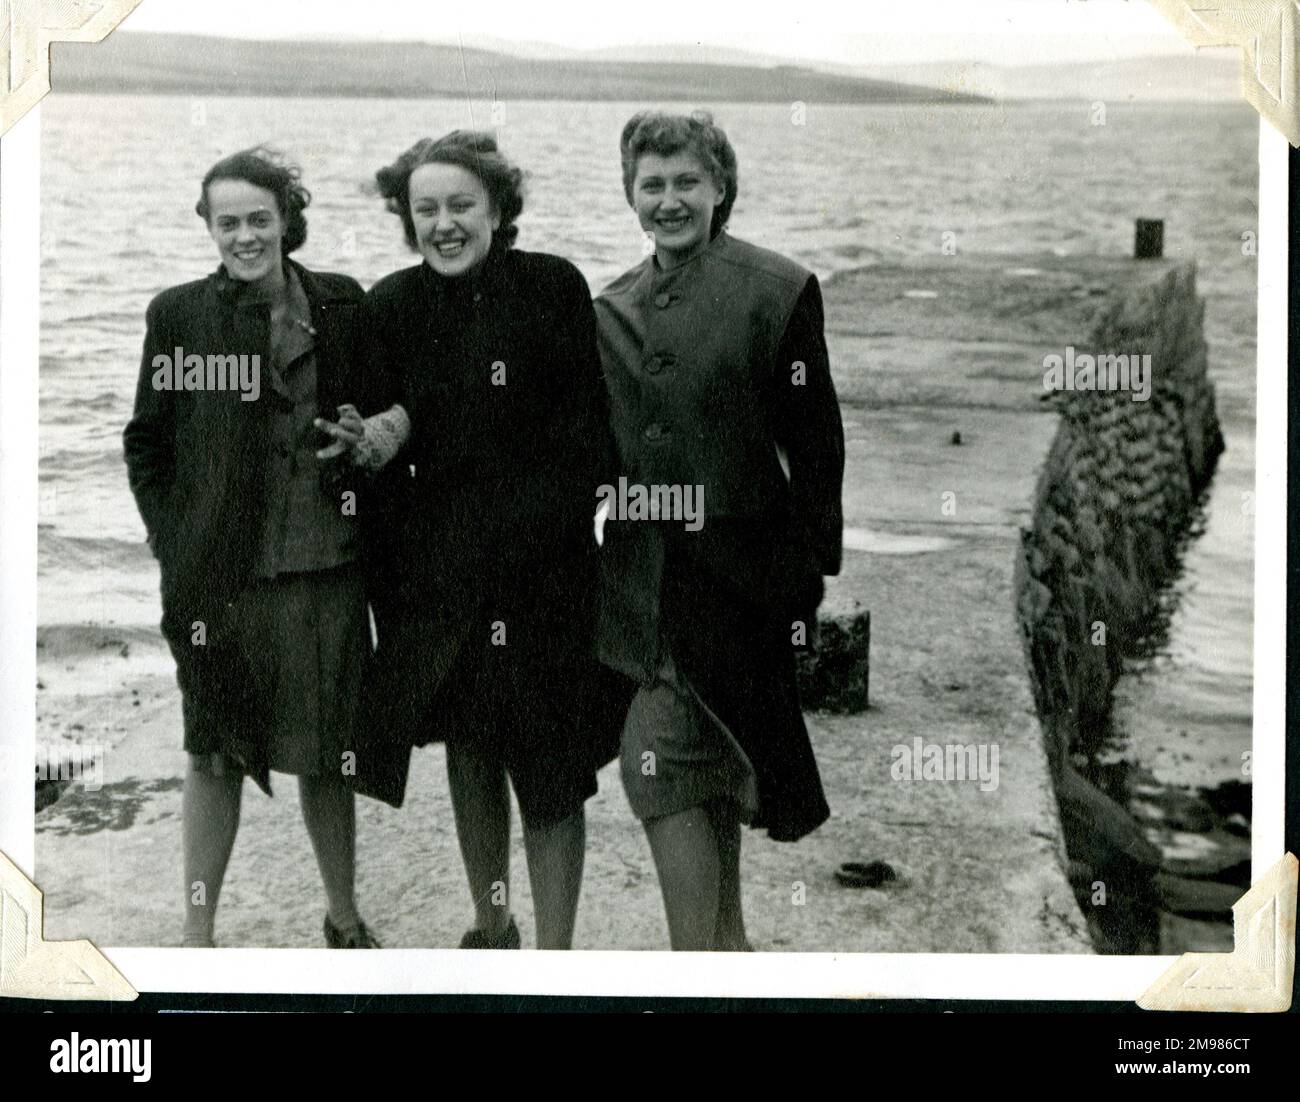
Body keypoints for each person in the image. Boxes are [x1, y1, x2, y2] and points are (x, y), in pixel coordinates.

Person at [123, 146, 397, 949]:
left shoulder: (345, 305)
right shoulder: (179, 315)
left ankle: (343, 919)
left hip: (328, 568)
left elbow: (388, 411)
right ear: (207, 225)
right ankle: (196, 934)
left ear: (287, 221)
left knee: (327, 757)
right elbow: (148, 443)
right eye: (227, 222)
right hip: (220, 579)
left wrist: (371, 435)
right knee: (214, 750)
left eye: (259, 220)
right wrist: (172, 540)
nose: (244, 237)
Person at [360, 131, 625, 950]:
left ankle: (557, 958)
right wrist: (379, 436)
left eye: (461, 205)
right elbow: (378, 429)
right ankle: (492, 926)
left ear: (499, 208)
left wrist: (532, 526)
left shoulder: (552, 286)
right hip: (439, 583)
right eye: (425, 209)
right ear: (407, 219)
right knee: (469, 755)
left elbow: (589, 436)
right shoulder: (391, 305)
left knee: (549, 775)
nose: (444, 224)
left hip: (544, 575)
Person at [593, 111, 846, 950]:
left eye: (686, 183)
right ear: (630, 193)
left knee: (679, 768)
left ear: (721, 188)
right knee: (674, 770)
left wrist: (807, 574)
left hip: (741, 582)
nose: (669, 201)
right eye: (652, 184)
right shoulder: (610, 310)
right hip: (643, 589)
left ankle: (698, 967)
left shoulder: (775, 291)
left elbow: (816, 443)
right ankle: (723, 954)